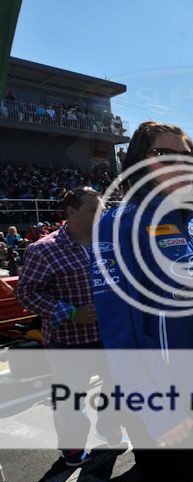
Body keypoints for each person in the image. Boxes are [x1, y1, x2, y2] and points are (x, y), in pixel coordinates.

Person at [92, 121, 193, 482]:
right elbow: (118, 332)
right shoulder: (116, 224)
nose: (181, 165)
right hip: (158, 396)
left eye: (189, 157)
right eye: (166, 156)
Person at [14, 187, 122, 467]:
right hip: (68, 339)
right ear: (71, 212)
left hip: (108, 336)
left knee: (116, 388)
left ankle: (109, 428)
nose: (100, 215)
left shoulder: (107, 244)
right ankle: (73, 446)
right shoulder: (44, 250)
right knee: (70, 398)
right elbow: (26, 293)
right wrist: (71, 313)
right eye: (92, 210)